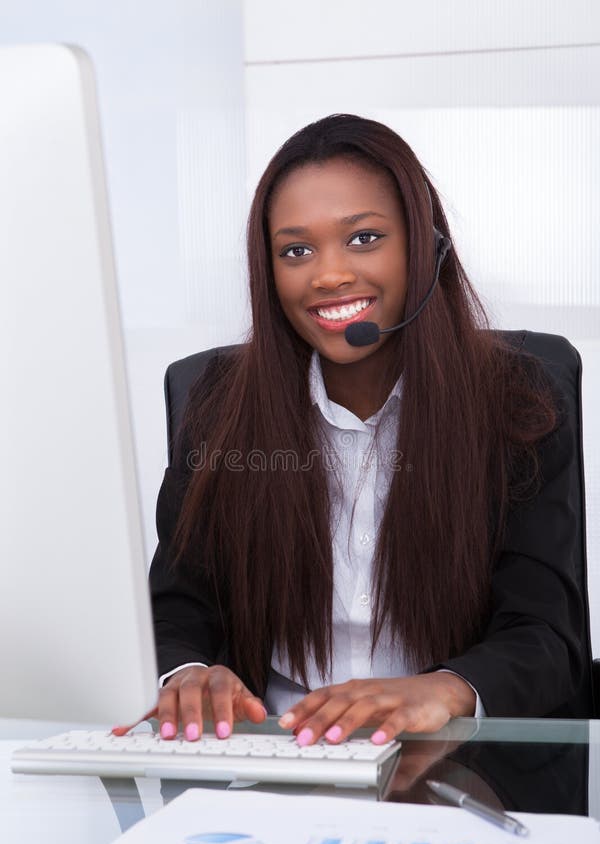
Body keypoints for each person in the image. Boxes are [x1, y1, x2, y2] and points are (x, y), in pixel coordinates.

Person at [119, 114, 587, 747]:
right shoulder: (218, 405)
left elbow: (546, 634)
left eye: (364, 238)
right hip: (275, 761)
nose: (329, 275)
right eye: (296, 250)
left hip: (454, 766)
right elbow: (175, 611)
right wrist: (190, 672)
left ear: (426, 248)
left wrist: (445, 688)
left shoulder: (517, 400)